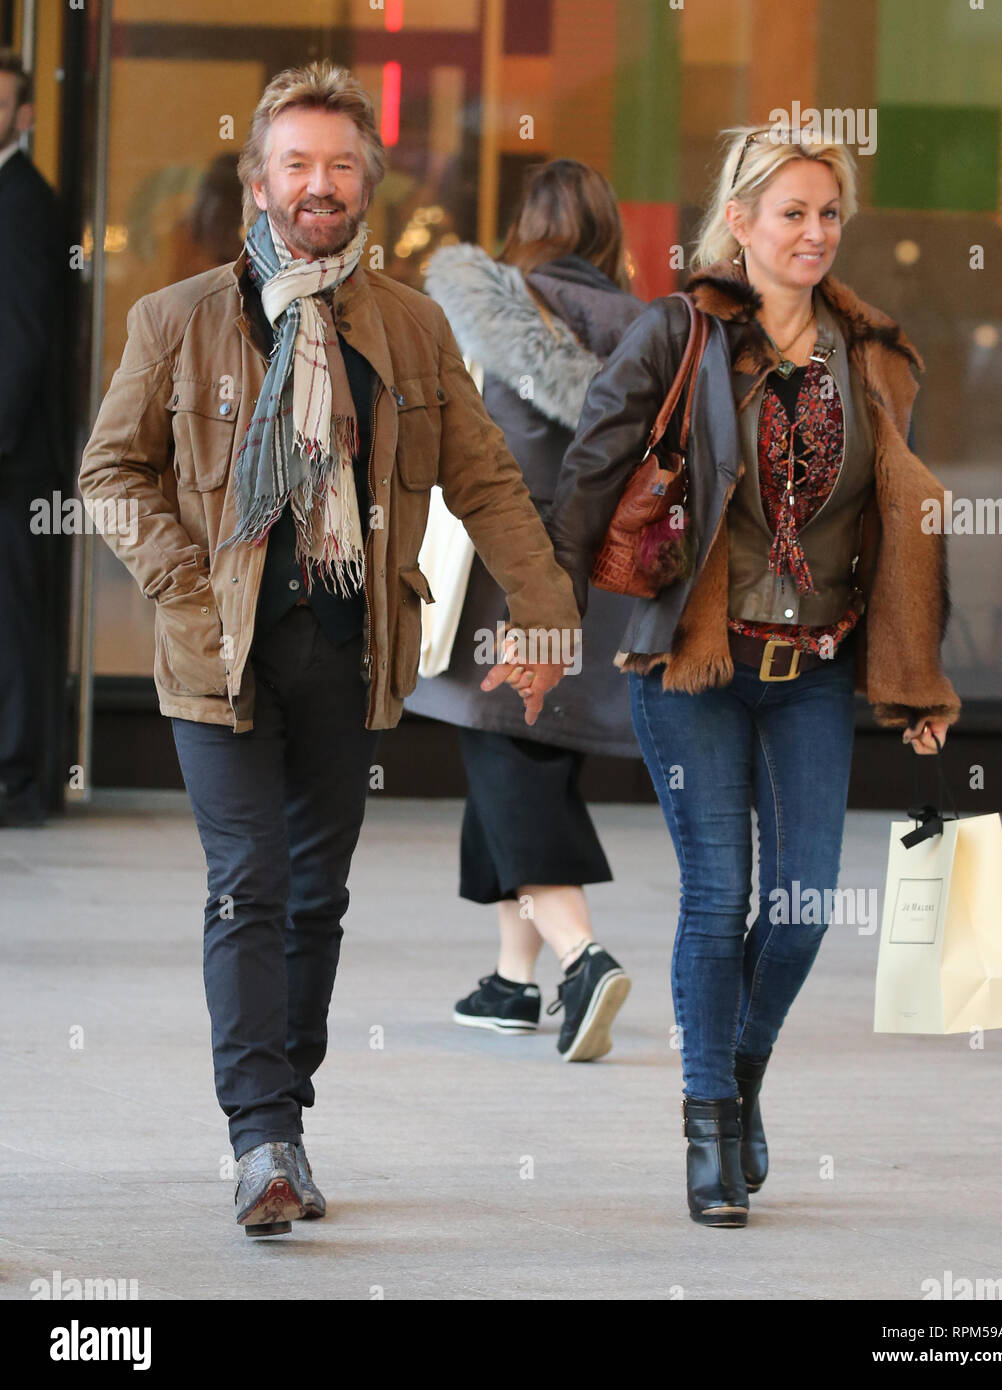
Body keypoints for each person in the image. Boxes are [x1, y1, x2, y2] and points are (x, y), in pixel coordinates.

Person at [79, 62, 580, 1238]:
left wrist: (547, 606)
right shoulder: (181, 319)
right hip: (219, 656)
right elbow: (111, 472)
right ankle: (259, 1136)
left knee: (314, 898)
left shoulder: (409, 326)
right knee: (248, 886)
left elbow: (487, 479)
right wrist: (186, 587)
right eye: (297, 164)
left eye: (341, 166)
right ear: (260, 181)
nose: (320, 185)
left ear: (367, 186)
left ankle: (283, 1117)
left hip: (352, 653)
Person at [547, 125, 961, 1227]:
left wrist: (914, 679)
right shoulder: (678, 333)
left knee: (804, 905)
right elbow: (591, 470)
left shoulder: (868, 350)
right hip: (693, 665)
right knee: (719, 895)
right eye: (791, 213)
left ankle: (740, 1073)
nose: (814, 233)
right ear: (740, 221)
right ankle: (704, 1133)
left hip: (814, 672)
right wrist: (538, 624)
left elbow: (896, 521)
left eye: (829, 214)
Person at [405, 161, 644, 1060]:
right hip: (603, 590)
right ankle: (513, 981)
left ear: (528, 227)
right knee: (523, 765)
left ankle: (583, 960)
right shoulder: (642, 329)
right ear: (606, 232)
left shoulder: (490, 312)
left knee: (508, 762)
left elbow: (470, 454)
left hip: (507, 580)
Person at [0, 50, 66, 827]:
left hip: (15, 464)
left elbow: (18, 340)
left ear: (24, 116)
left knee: (13, 625)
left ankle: (16, 779)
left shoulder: (22, 203)